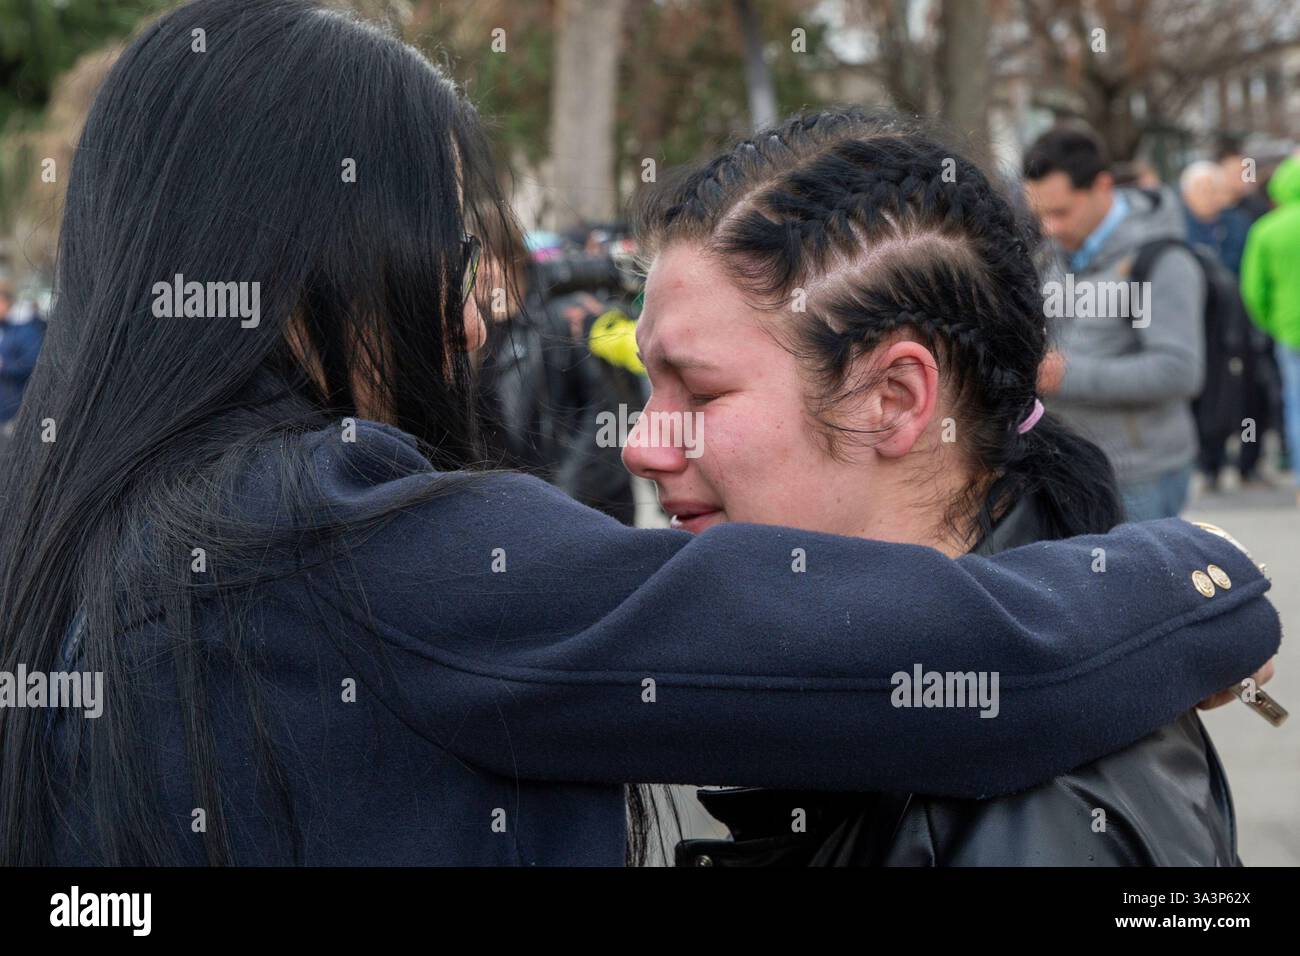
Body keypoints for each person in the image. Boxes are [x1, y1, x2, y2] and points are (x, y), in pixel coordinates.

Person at [0, 0, 1277, 867]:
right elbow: (979, 660)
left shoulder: (53, 504)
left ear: (898, 397)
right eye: (442, 253)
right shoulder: (330, 537)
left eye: (700, 391)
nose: (474, 310)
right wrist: (1196, 575)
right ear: (313, 261)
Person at [625, 110, 1257, 866]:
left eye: (698, 393)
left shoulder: (1035, 810)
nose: (639, 445)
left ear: (892, 399)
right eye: (646, 387)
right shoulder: (922, 713)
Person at [1023, 126, 1204, 521]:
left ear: (1102, 186)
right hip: (1068, 463)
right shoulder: (1050, 255)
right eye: (1040, 216)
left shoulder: (1162, 259)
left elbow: (1180, 371)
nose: (1049, 228)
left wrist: (1064, 377)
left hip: (1141, 472)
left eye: (1060, 212)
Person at [1179, 161, 1254, 492]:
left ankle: (1235, 460)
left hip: (1233, 321)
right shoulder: (1179, 228)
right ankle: (1206, 461)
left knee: (1233, 392)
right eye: (1202, 190)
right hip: (1194, 320)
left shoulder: (1237, 225)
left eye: (1214, 189)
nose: (1209, 197)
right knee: (1201, 391)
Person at [1241, 154, 1300, 507]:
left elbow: (1252, 290)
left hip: (1290, 331)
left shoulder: (1266, 228)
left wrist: (1271, 322)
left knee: (1296, 406)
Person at [0, 279, 46, 446]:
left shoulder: (27, 329)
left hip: (18, 408)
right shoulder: (4, 328)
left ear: (5, 302)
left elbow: (32, 364)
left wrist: (4, 366)